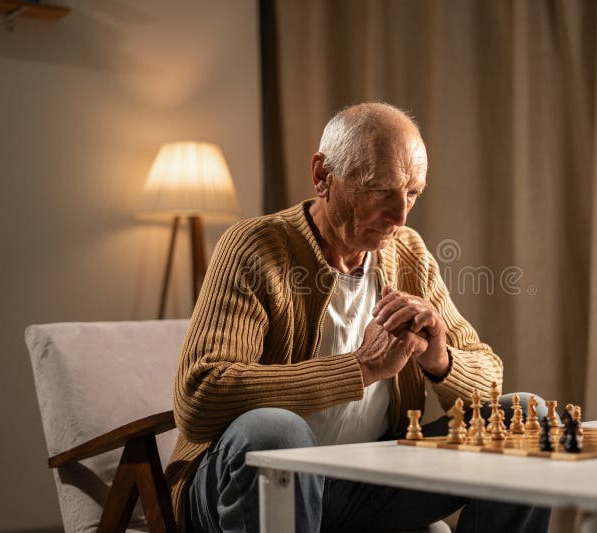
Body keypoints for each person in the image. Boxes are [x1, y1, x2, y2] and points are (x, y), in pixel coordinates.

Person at [165, 102, 552, 532]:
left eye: (412, 193)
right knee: (277, 432)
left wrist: (440, 358)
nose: (401, 214)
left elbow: (489, 377)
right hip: (247, 479)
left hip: (368, 480)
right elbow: (199, 396)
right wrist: (360, 368)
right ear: (322, 176)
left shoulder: (408, 252)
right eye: (381, 190)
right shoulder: (255, 247)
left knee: (526, 419)